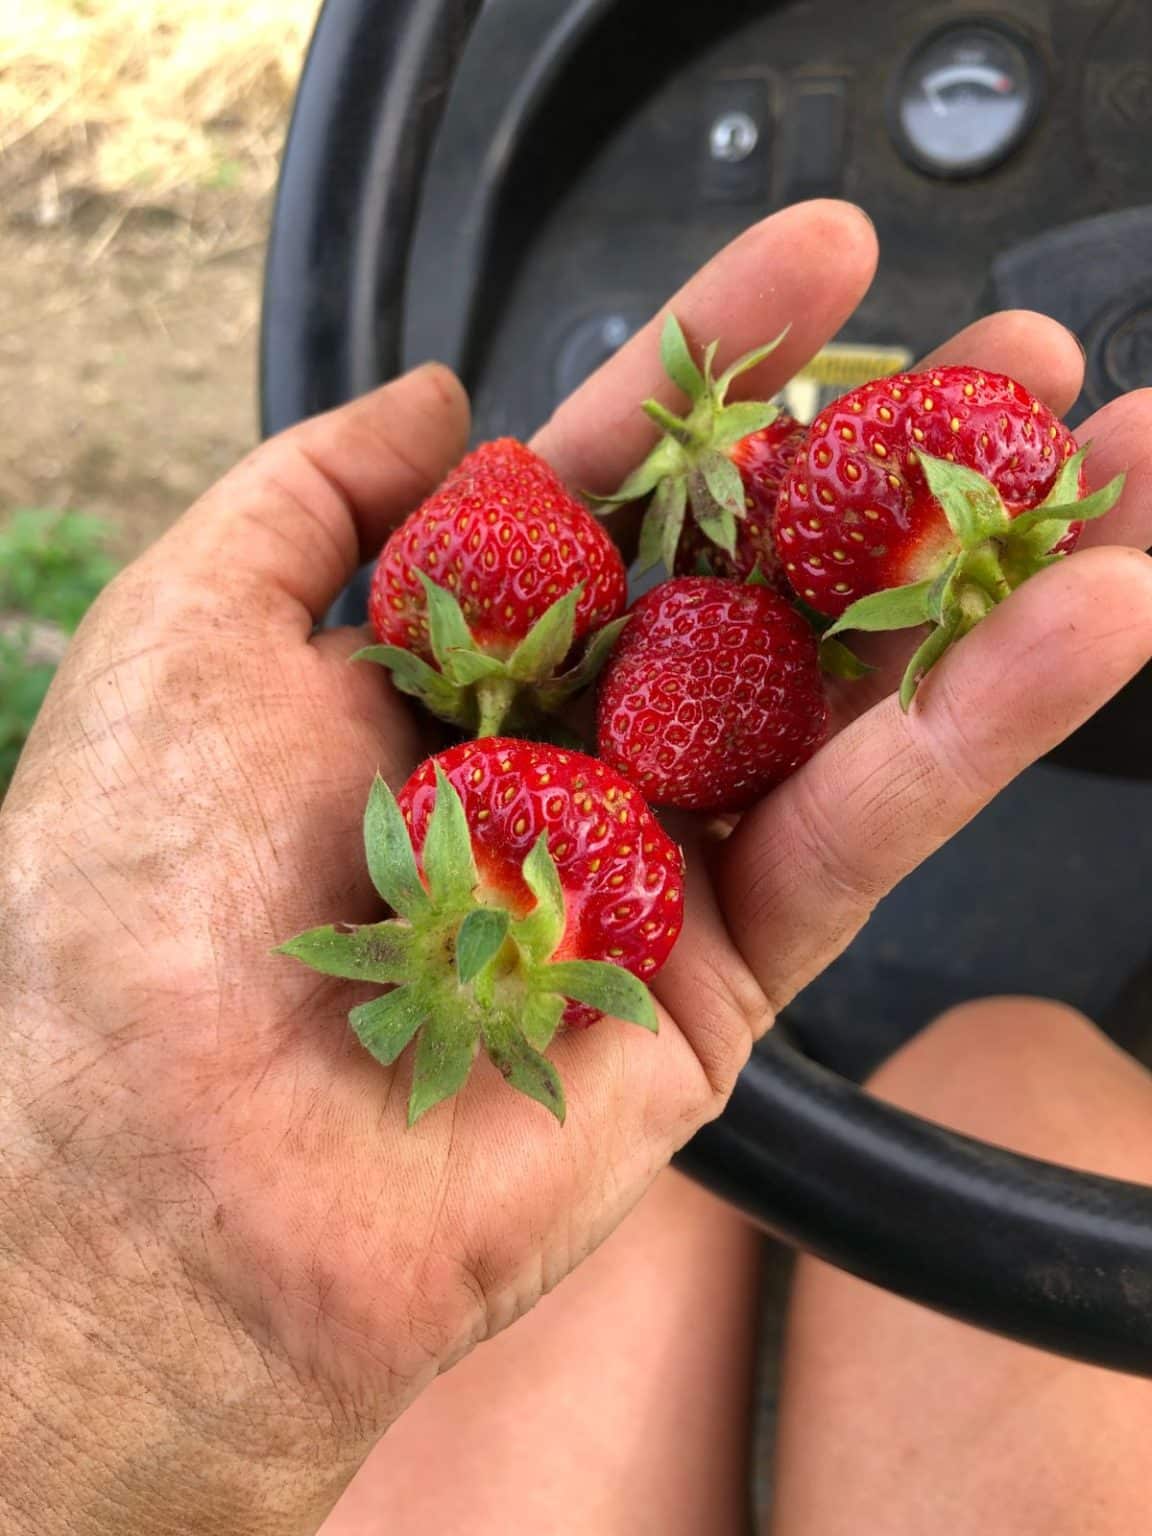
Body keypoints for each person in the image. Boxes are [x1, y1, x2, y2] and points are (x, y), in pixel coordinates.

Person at [2, 200, 1151, 1536]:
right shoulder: (507, 826)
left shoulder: (472, 807)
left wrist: (92, 1296)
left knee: (666, 1205)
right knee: (1012, 1067)